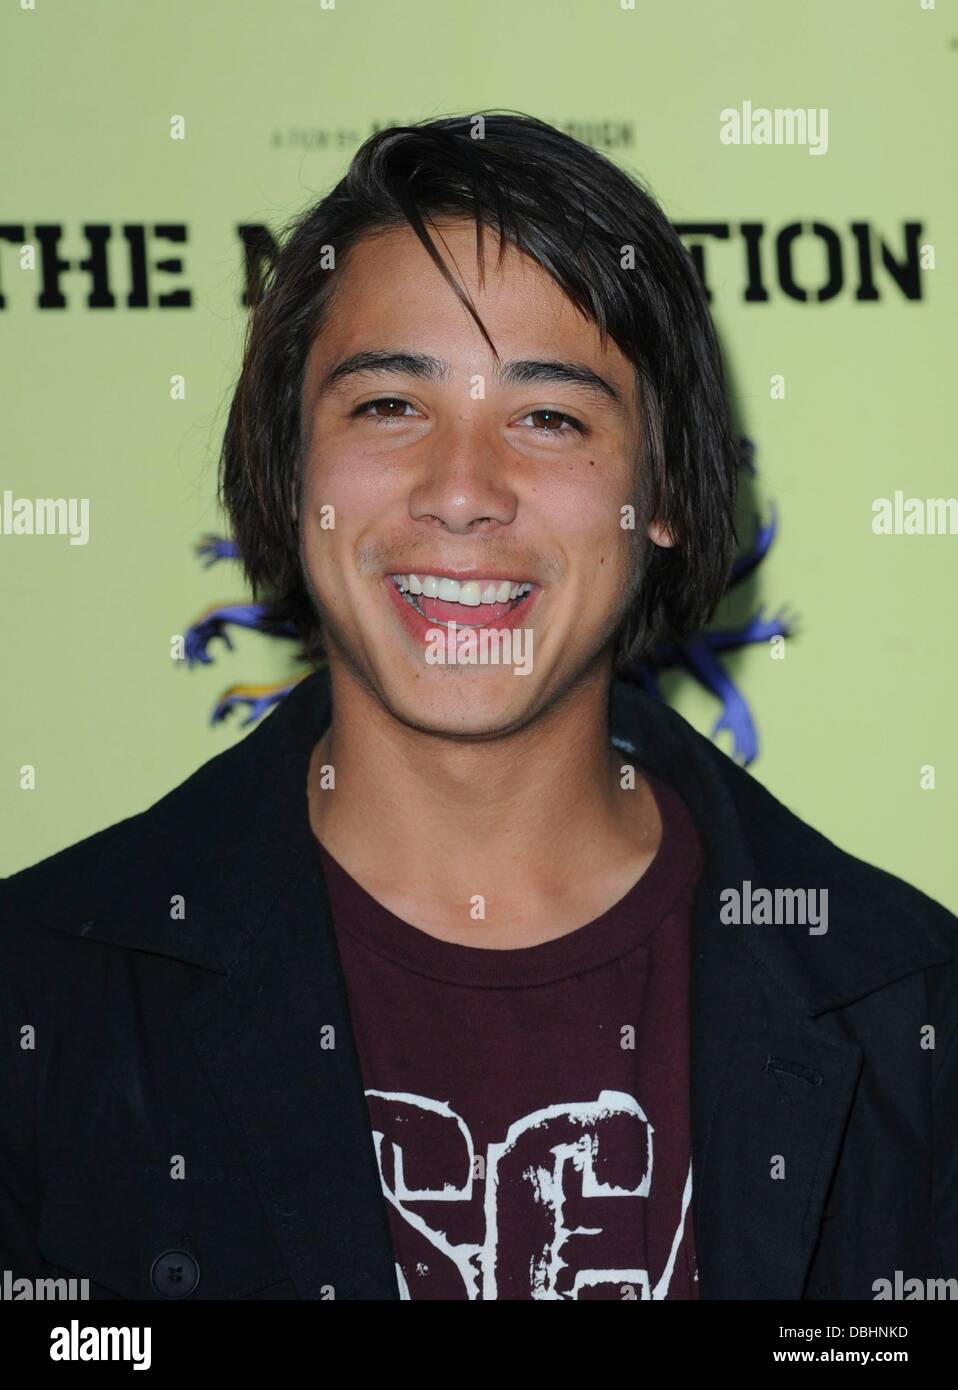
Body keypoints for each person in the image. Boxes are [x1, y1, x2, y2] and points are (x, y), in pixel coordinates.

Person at [2, 112, 955, 1302]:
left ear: (660, 494)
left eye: (549, 416)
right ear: (289, 469)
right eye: (389, 405)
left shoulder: (905, 1008)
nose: (461, 491)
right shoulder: (45, 997)